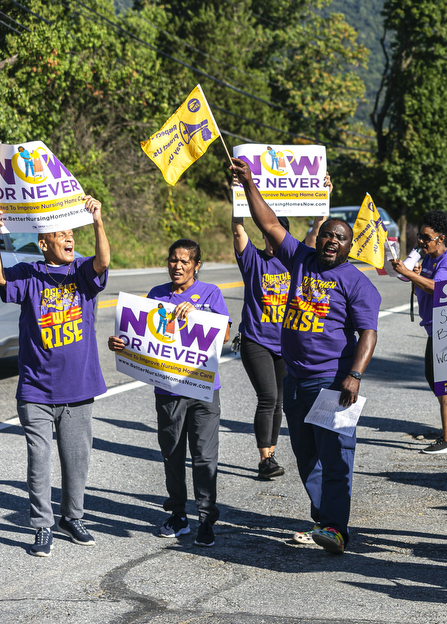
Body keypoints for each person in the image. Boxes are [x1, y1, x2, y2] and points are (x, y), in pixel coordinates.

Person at [231, 157, 380, 555]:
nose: (332, 241)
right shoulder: (300, 259)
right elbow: (269, 224)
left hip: (335, 383)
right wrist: (248, 183)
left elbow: (368, 332)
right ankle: (324, 518)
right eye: (328, 235)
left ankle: (335, 527)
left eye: (340, 238)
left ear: (349, 247)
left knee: (337, 457)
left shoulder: (357, 283)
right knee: (305, 455)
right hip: (295, 380)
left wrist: (355, 375)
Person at [0, 197, 109, 557]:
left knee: (76, 460)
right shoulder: (29, 274)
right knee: (39, 460)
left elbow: (103, 261)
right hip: (35, 388)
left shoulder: (81, 272)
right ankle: (42, 525)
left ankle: (72, 517)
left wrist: (97, 221)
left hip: (78, 387)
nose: (68, 237)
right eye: (59, 233)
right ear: (42, 243)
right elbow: (1, 281)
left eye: (70, 232)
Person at [108, 239, 230, 547]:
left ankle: (205, 519)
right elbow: (140, 339)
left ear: (196, 266)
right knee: (173, 456)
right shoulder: (156, 295)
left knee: (204, 458)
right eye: (173, 260)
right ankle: (178, 515)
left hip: (203, 390)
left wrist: (198, 316)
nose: (177, 266)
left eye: (185, 261)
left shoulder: (210, 294)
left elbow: (225, 335)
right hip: (168, 392)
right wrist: (121, 344)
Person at [232, 174, 329, 480]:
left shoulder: (299, 261)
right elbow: (238, 229)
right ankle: (266, 459)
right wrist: (238, 197)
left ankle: (271, 453)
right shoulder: (254, 261)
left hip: (287, 343)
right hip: (256, 340)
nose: (271, 241)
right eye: (268, 236)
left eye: (277, 236)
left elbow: (316, 231)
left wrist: (323, 196)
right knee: (268, 397)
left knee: (281, 401)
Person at [390, 210, 447, 455]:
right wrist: (412, 273)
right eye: (420, 236)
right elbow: (420, 284)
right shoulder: (429, 260)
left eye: (426, 237)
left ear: (441, 238)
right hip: (435, 328)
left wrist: (408, 273)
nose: (421, 241)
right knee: (433, 378)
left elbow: (440, 289)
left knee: (446, 383)